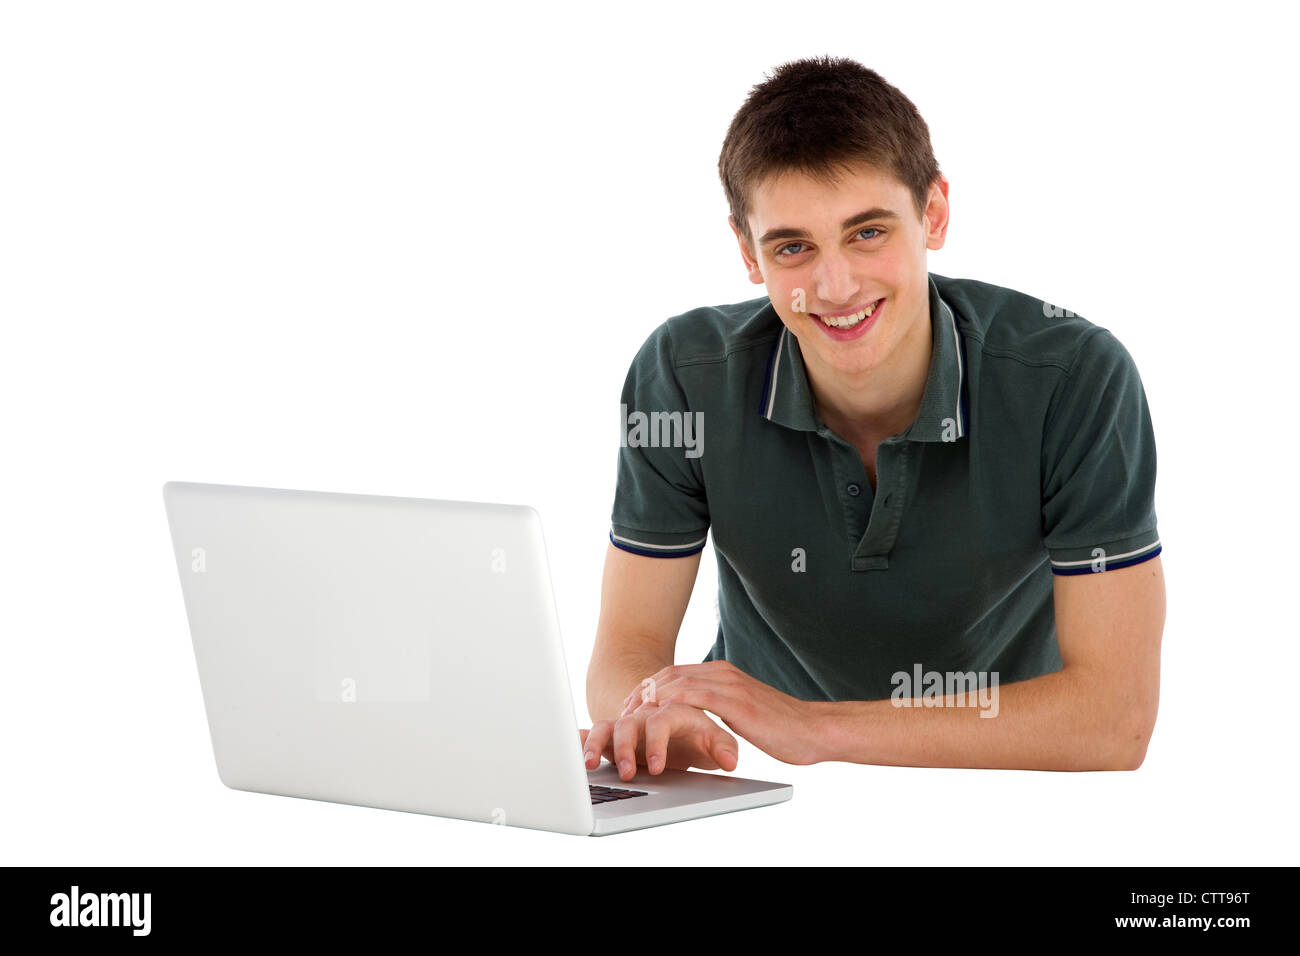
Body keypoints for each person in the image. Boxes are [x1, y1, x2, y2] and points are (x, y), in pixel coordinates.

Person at [580, 55, 1165, 777]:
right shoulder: (682, 373)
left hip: (1005, 782)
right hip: (758, 773)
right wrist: (651, 713)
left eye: (868, 233)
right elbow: (624, 653)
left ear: (935, 213)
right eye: (793, 247)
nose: (835, 286)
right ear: (747, 252)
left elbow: (1114, 722)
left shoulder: (1074, 376)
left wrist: (814, 729)